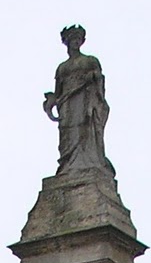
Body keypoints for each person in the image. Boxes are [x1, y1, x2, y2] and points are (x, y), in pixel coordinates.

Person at [43, 25, 114, 176]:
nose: (75, 42)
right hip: (67, 104)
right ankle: (68, 165)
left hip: (85, 99)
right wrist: (51, 101)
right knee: (68, 132)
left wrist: (94, 77)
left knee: (86, 129)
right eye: (72, 39)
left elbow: (99, 81)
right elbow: (58, 92)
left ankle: (89, 162)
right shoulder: (62, 67)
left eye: (78, 39)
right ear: (67, 43)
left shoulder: (90, 61)